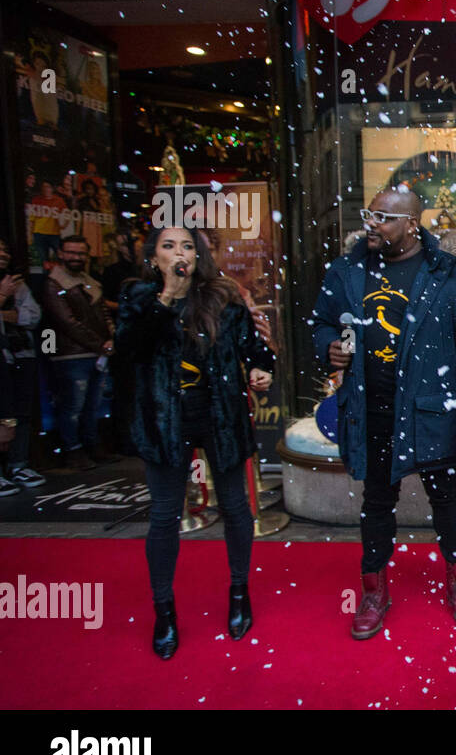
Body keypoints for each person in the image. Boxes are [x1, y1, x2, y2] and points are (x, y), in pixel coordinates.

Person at [310, 186, 456, 639]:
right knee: (376, 502)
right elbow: (320, 322)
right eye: (369, 214)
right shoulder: (347, 271)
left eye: (383, 217)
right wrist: (328, 347)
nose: (371, 224)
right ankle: (374, 590)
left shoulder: (452, 275)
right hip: (371, 411)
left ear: (412, 224)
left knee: (446, 499)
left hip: (433, 411)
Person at [115, 226, 274, 659]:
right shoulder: (137, 297)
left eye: (187, 246)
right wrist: (166, 296)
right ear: (154, 257)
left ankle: (239, 592)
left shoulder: (223, 296)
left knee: (235, 506)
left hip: (219, 415)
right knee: (165, 515)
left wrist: (262, 369)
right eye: (169, 246)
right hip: (165, 419)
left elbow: (254, 350)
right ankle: (163, 610)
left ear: (198, 255)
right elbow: (129, 352)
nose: (179, 253)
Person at [41, 235, 114, 470]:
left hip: (97, 353)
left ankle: (92, 446)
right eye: (71, 252)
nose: (76, 257)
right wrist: (100, 344)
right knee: (72, 406)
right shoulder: (54, 284)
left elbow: (104, 315)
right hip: (70, 354)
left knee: (93, 405)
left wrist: (112, 337)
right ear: (61, 254)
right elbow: (67, 322)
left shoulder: (90, 282)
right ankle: (73, 450)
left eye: (81, 253)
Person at [0, 239, 45, 493]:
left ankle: (18, 465)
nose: (3, 254)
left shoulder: (17, 284)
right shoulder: (9, 289)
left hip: (20, 354)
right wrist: (4, 297)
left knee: (21, 413)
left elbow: (33, 316)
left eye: (6, 250)